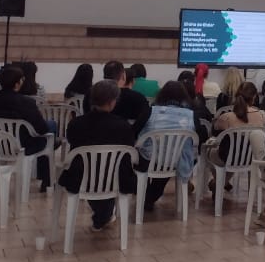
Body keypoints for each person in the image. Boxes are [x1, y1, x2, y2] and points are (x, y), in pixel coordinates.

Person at [60, 80, 138, 232]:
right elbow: (128, 152)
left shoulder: (76, 124)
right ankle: (103, 215)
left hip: (81, 178)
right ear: (112, 102)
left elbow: (72, 143)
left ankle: (103, 215)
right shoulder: (123, 126)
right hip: (114, 179)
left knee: (95, 169)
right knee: (109, 169)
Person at [0, 65, 52, 190]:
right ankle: (46, 179)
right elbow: (41, 129)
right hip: (22, 145)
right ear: (18, 83)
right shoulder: (27, 102)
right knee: (49, 132)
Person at [135, 80, 199, 211]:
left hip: (148, 159)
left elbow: (135, 131)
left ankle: (144, 194)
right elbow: (199, 137)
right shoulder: (191, 115)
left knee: (142, 159)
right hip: (176, 161)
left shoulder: (151, 111)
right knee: (169, 160)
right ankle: (151, 197)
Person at [105, 60, 151, 135]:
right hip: (129, 141)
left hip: (98, 141)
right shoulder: (139, 98)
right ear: (123, 76)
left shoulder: (93, 94)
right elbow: (145, 120)